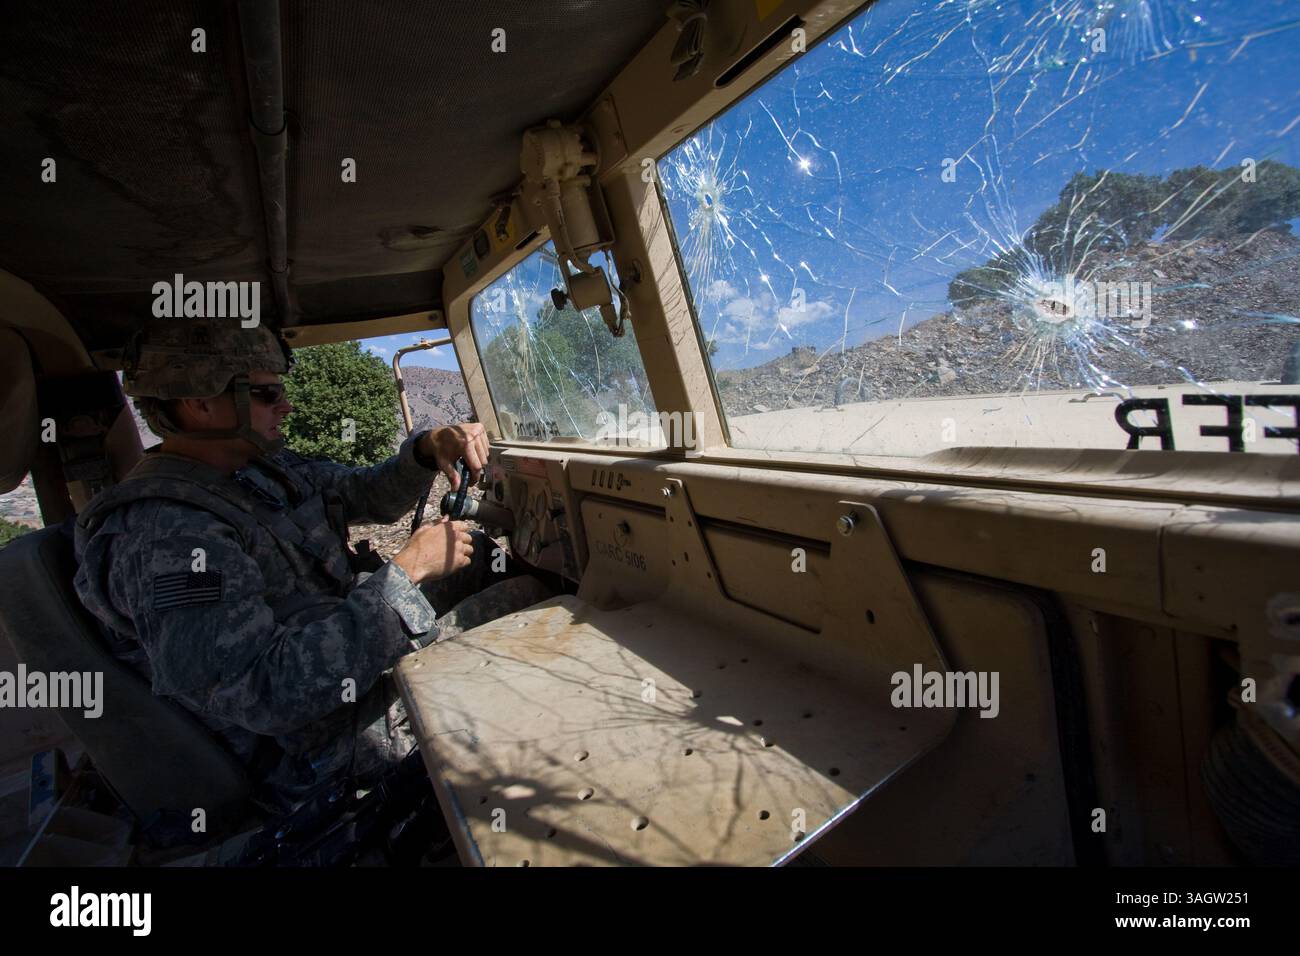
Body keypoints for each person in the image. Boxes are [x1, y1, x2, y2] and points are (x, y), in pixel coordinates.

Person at [73, 319, 550, 814]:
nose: (287, 404)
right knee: (527, 601)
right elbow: (263, 695)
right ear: (200, 402)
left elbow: (366, 493)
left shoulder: (255, 470)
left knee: (479, 560)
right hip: (328, 740)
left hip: (347, 652)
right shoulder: (167, 536)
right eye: (266, 393)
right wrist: (403, 578)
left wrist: (428, 450)